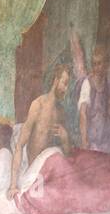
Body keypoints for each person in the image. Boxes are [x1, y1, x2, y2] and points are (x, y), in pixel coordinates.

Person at [8, 60, 73, 198]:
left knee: (57, 154)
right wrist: (13, 186)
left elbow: (68, 156)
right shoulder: (38, 105)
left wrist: (65, 138)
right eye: (65, 83)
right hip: (30, 168)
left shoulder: (60, 112)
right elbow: (20, 145)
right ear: (56, 80)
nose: (66, 89)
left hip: (44, 169)